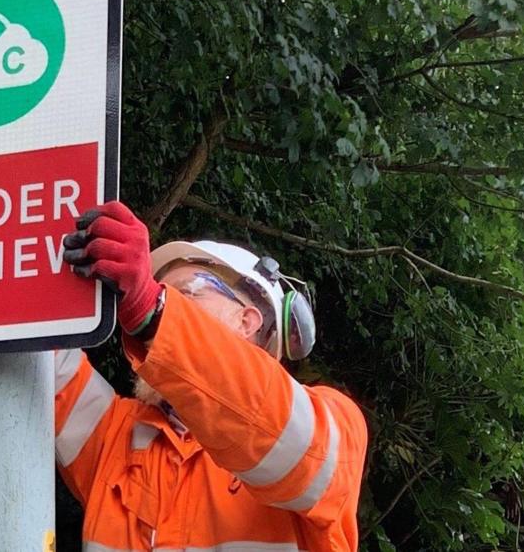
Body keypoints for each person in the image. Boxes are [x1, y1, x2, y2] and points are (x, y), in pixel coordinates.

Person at [55, 201, 368, 552]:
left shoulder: (335, 426)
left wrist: (153, 311)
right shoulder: (116, 435)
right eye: (162, 292)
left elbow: (275, 427)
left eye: (186, 293)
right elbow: (37, 352)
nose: (170, 303)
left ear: (246, 320)